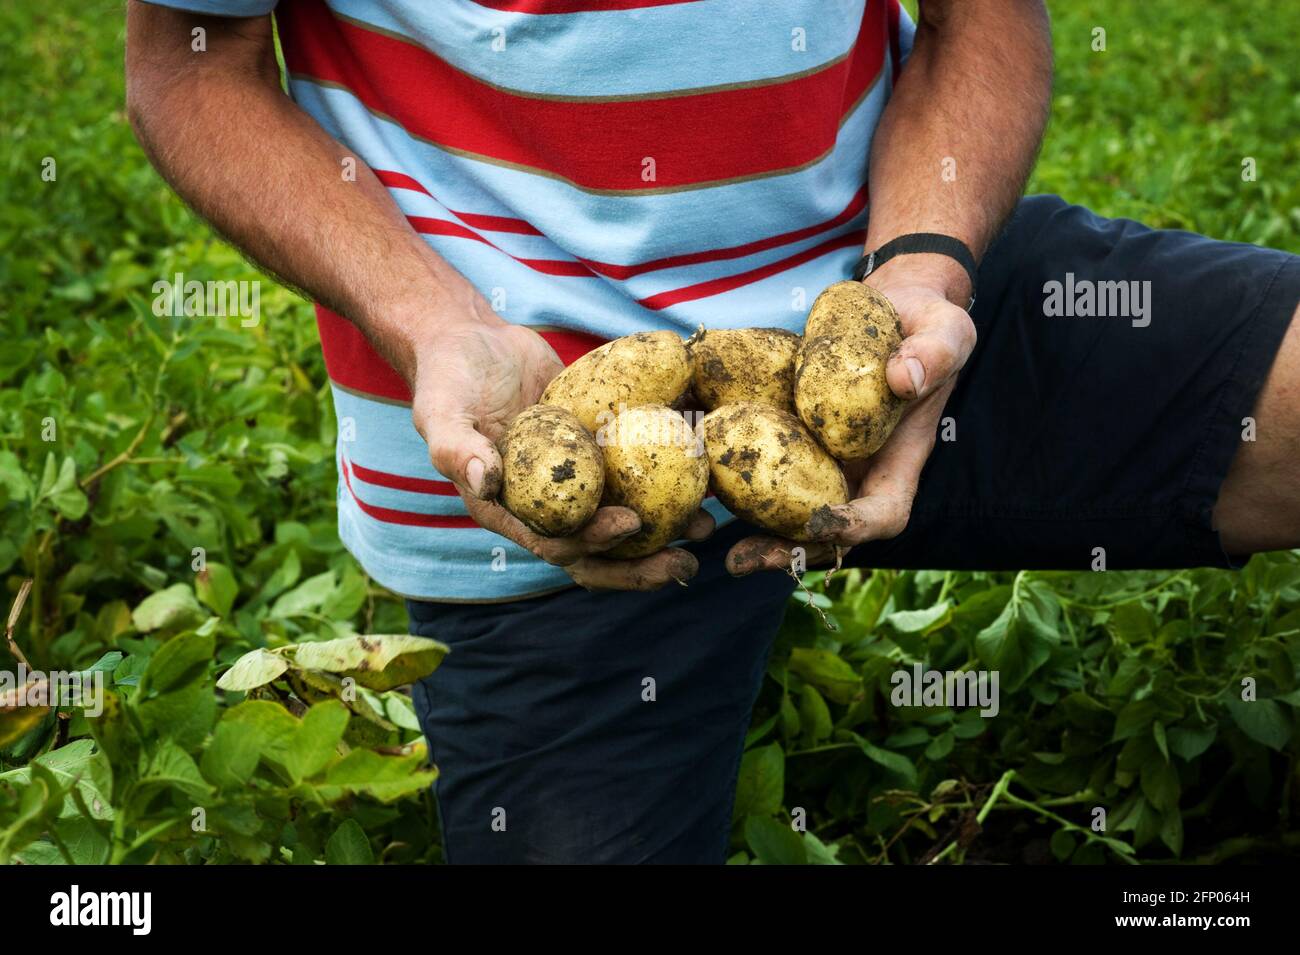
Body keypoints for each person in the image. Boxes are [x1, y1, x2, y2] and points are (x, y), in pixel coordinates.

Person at [125, 0, 1300, 863]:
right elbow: (190, 65)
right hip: (547, 446)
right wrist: (433, 321)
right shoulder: (545, 439)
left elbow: (977, 14)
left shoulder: (899, 303)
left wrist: (927, 264)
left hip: (883, 306)